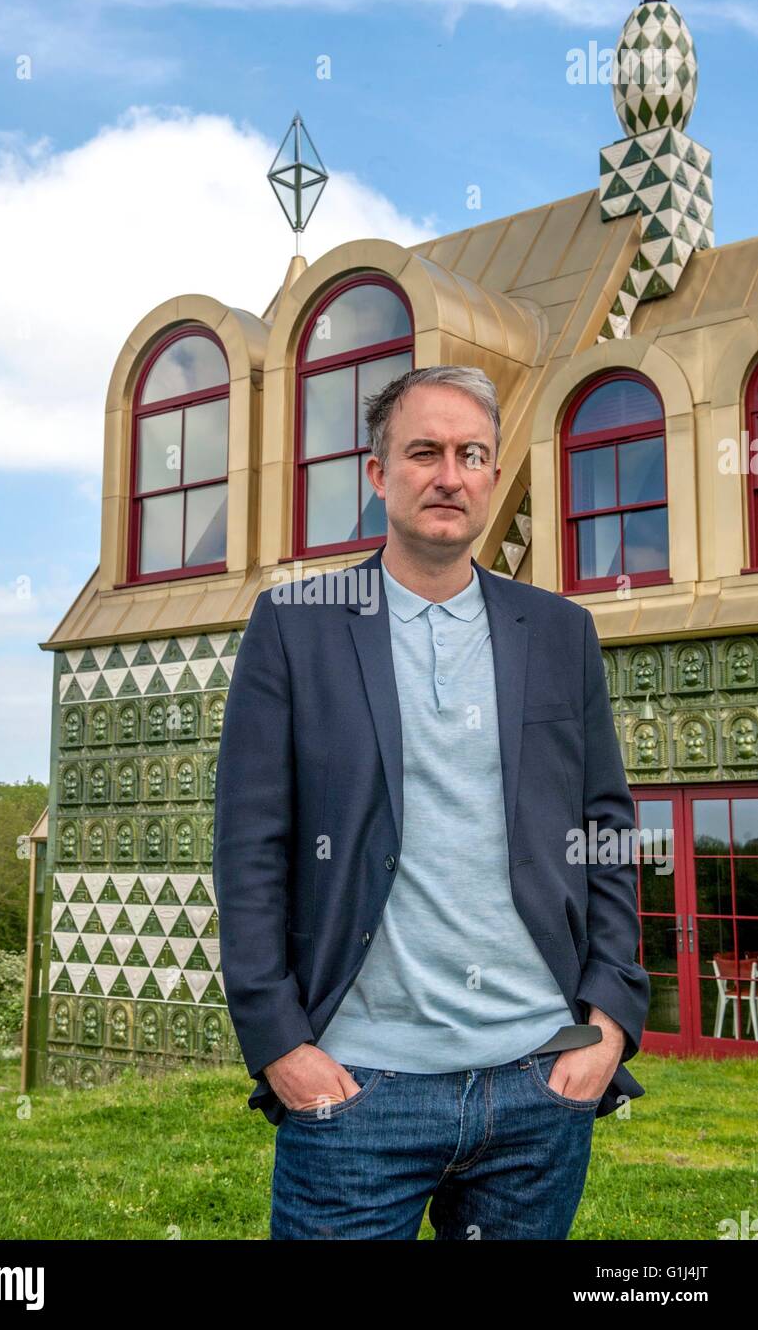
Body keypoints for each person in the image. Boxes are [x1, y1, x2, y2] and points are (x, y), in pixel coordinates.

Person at [213, 364, 650, 1240]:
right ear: (377, 475)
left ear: (491, 475)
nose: (448, 474)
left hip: (538, 1082)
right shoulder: (295, 625)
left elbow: (604, 826)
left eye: (471, 454)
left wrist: (610, 1017)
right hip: (356, 1088)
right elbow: (251, 846)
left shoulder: (559, 631)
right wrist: (279, 1044)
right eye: (423, 452)